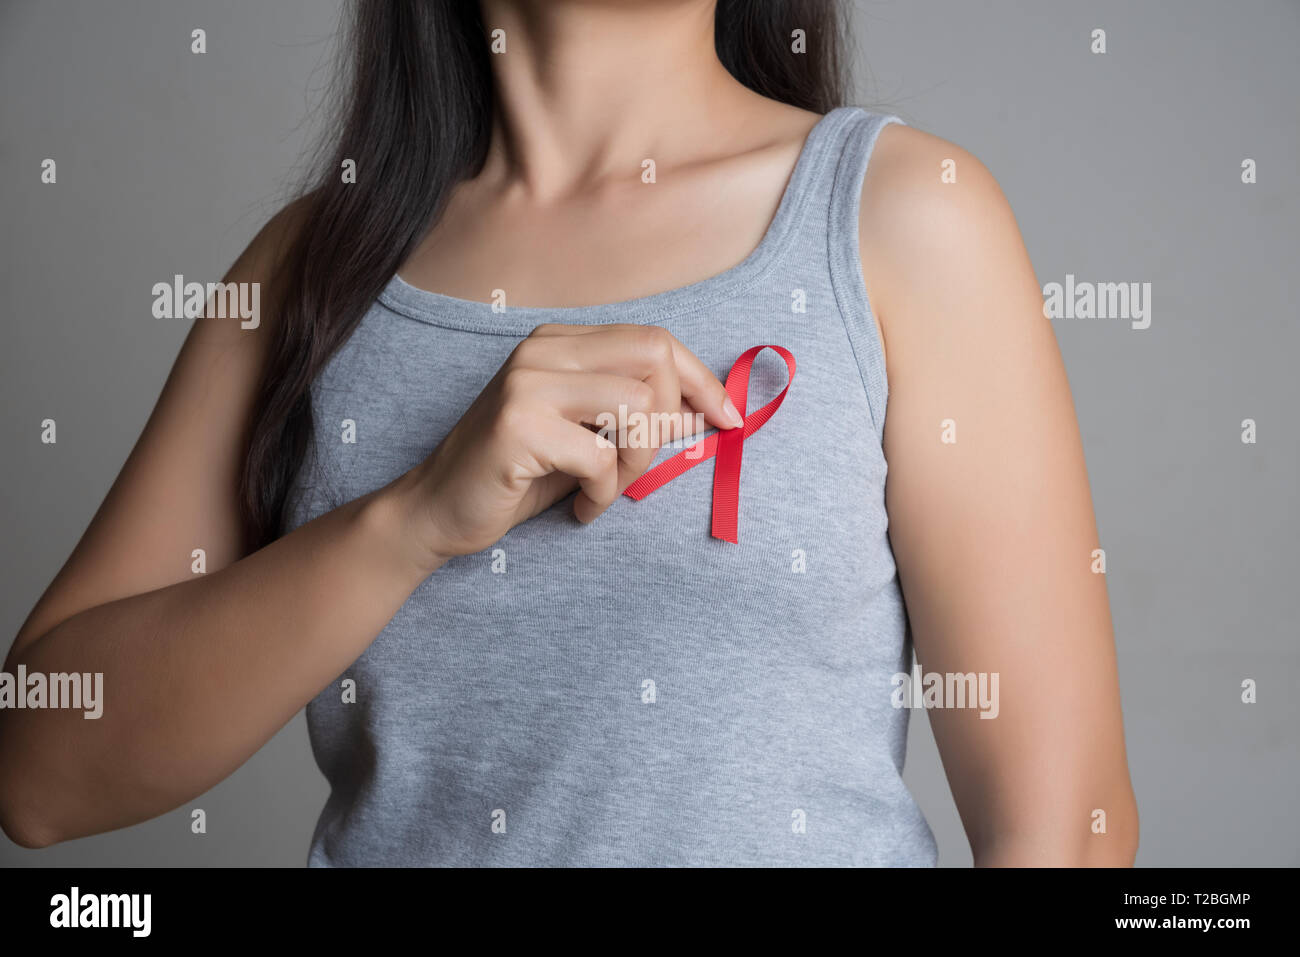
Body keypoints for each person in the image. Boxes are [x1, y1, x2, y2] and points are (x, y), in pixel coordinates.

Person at [0, 0, 1138, 866]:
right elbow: (38, 770)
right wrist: (408, 523)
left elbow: (1067, 833)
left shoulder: (901, 217)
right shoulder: (311, 275)